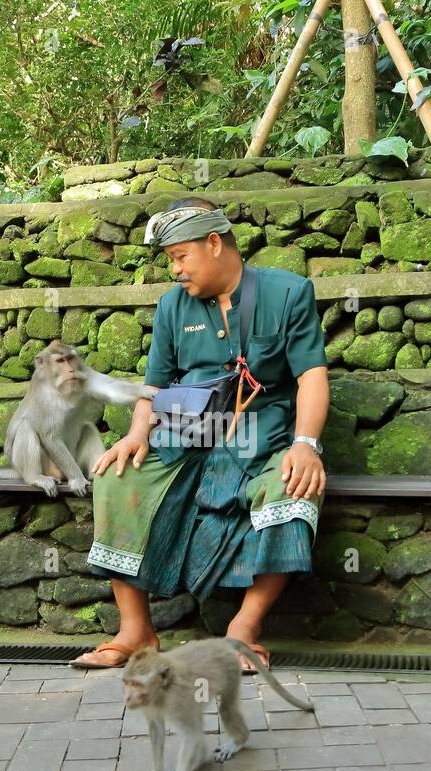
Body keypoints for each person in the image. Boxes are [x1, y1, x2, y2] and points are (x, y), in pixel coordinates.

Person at [70, 197, 329, 672]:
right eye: (171, 260)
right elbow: (154, 386)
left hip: (267, 437)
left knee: (292, 488)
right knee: (118, 477)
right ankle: (136, 631)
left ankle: (244, 629)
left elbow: (312, 375)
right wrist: (135, 435)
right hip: (188, 436)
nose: (176, 271)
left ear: (214, 243)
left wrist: (305, 445)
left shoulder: (288, 293)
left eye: (180, 257)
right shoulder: (172, 307)